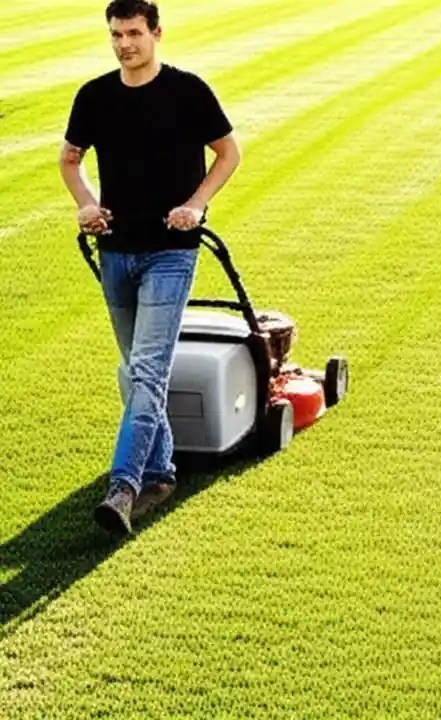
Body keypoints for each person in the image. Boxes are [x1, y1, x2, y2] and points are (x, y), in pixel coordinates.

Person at [58, 0, 240, 535]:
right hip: (116, 250)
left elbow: (228, 152)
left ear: (157, 33)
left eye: (134, 33)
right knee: (139, 370)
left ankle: (124, 487)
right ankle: (161, 471)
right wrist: (85, 204)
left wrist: (198, 204)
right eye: (115, 34)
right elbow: (70, 158)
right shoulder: (94, 96)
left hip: (170, 251)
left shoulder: (188, 91)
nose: (124, 44)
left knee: (147, 371)